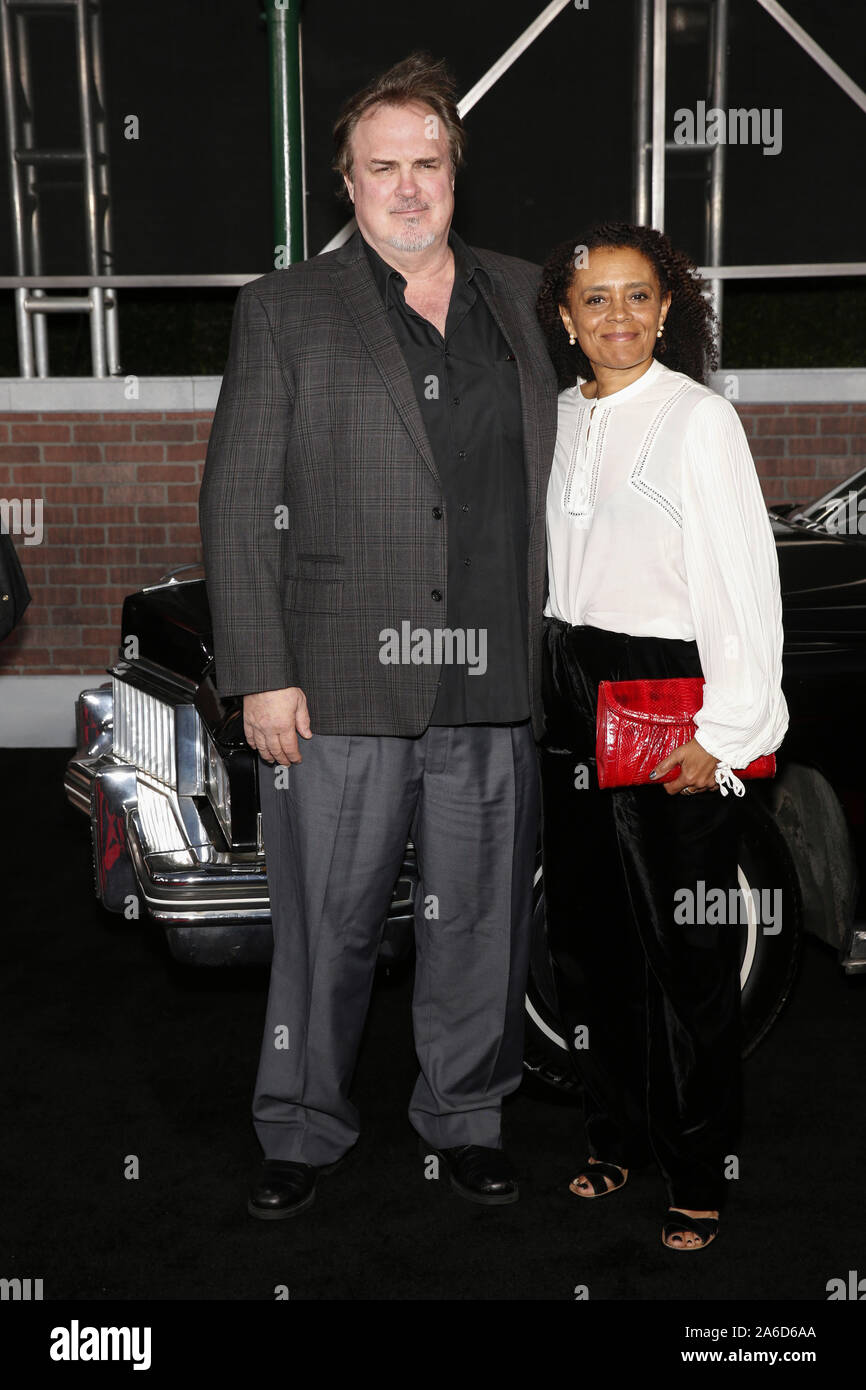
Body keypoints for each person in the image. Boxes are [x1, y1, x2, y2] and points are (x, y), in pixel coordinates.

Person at [198, 52, 558, 1219]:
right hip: (341, 681)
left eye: (429, 164)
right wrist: (260, 675)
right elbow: (239, 499)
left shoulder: (522, 295)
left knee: (483, 922)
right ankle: (301, 1123)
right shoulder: (283, 308)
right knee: (325, 926)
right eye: (382, 167)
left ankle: (466, 1113)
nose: (408, 187)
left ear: (456, 173)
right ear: (345, 185)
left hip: (490, 677)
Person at [535, 222, 788, 1250]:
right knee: (588, 943)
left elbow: (743, 579)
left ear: (667, 306)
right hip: (567, 686)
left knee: (683, 948)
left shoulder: (696, 420)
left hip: (668, 692)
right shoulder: (549, 416)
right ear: (563, 318)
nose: (618, 317)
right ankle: (615, 1135)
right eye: (595, 299)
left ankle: (698, 1172)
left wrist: (725, 730)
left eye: (637, 296)